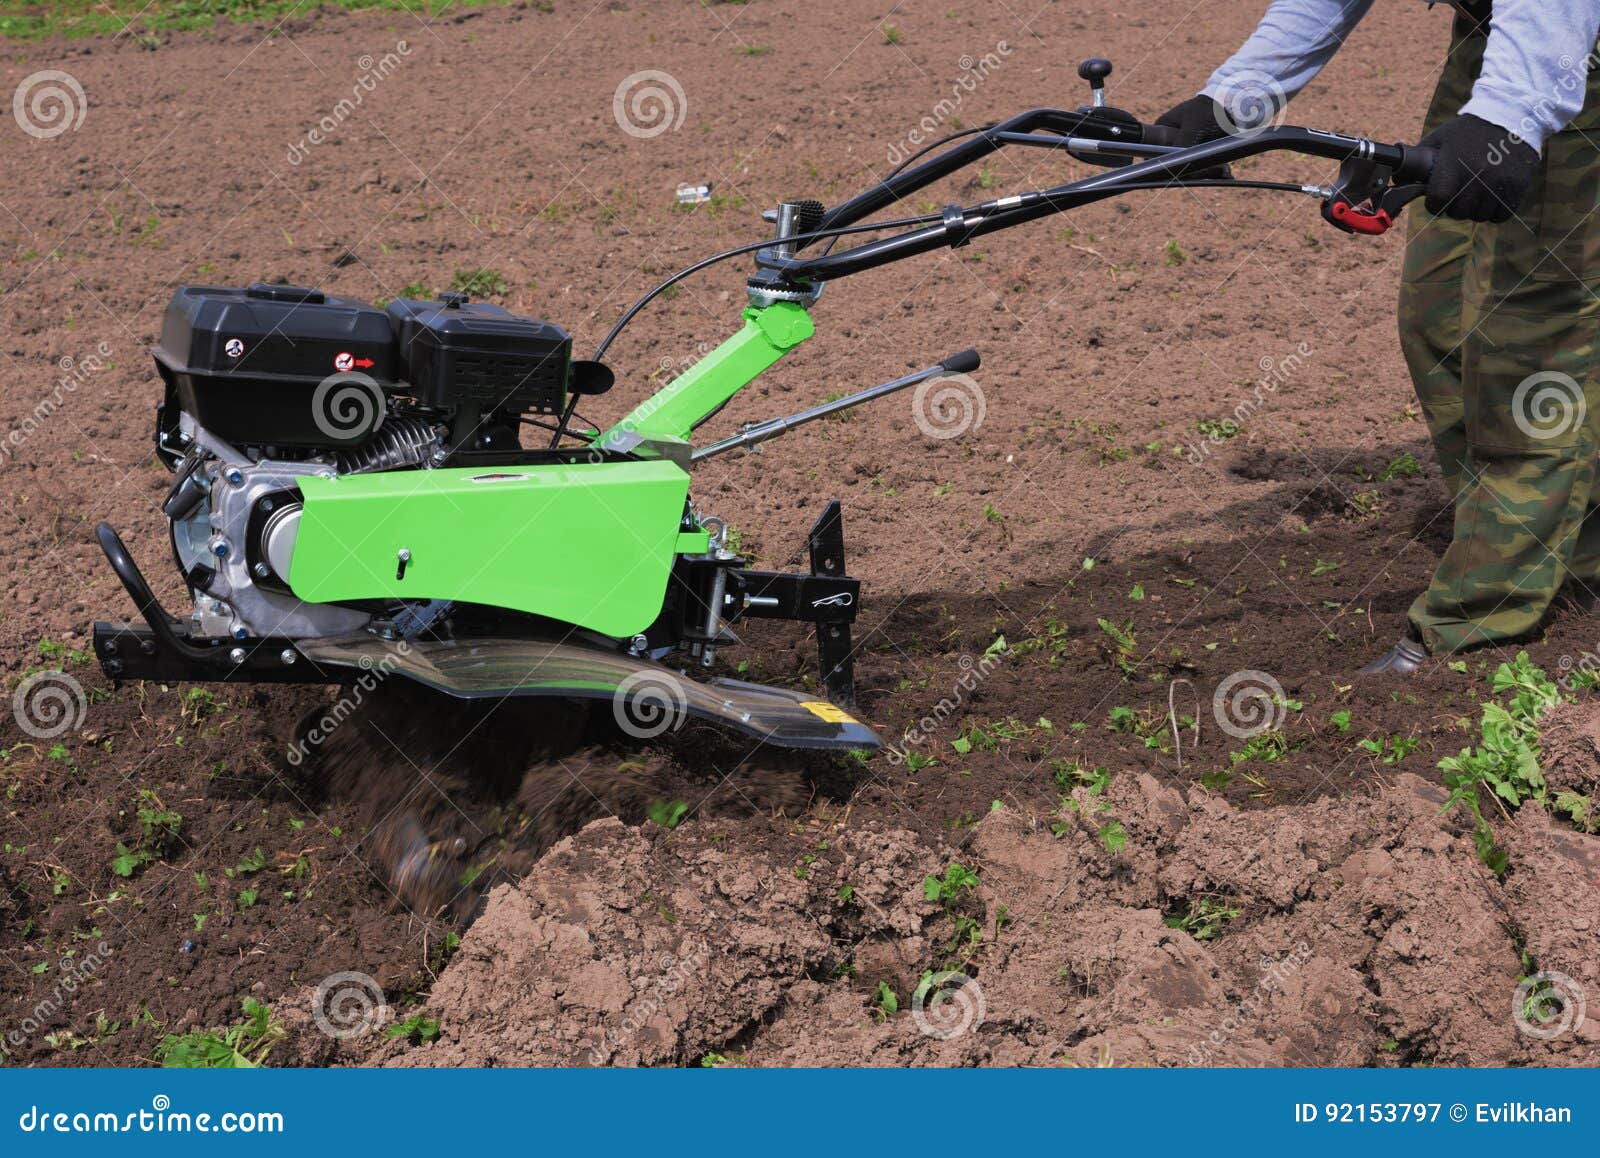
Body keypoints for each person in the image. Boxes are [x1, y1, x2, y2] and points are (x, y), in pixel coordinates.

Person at [1157, 0, 1600, 674]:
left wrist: (1513, 114)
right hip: (1498, 31)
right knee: (1439, 312)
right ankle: (1572, 535)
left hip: (1569, 38)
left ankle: (1480, 623)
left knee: (1527, 336)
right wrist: (1233, 100)